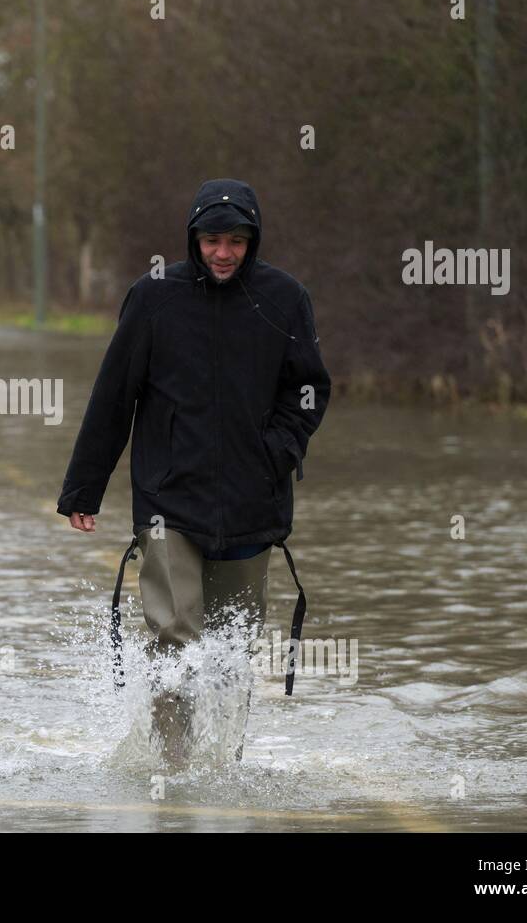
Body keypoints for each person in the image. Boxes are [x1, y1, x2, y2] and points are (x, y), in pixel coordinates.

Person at [56, 178, 331, 766]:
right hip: (168, 502)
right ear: (193, 240)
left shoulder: (285, 298)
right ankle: (173, 768)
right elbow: (113, 397)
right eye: (211, 240)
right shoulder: (153, 297)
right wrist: (85, 487)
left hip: (253, 503)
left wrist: (277, 451)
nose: (223, 253)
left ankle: (222, 765)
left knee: (233, 651)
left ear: (252, 240)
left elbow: (309, 389)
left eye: (235, 241)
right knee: (175, 636)